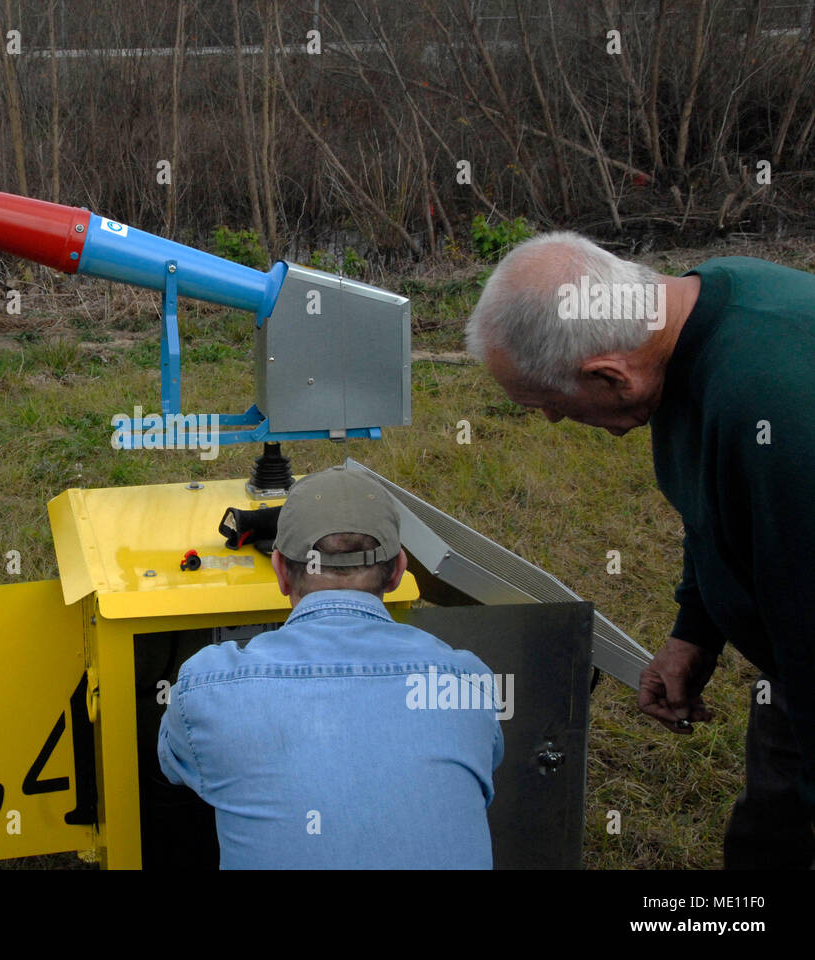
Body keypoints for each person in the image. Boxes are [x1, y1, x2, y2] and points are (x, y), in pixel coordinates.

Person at [465, 231, 815, 868]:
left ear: (607, 375)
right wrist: (694, 631)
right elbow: (715, 504)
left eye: (548, 404)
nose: (548, 420)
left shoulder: (777, 413)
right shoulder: (685, 314)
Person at [157, 465, 504, 868]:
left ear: (281, 571)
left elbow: (174, 765)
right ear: (397, 571)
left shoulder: (206, 688)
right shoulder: (467, 685)